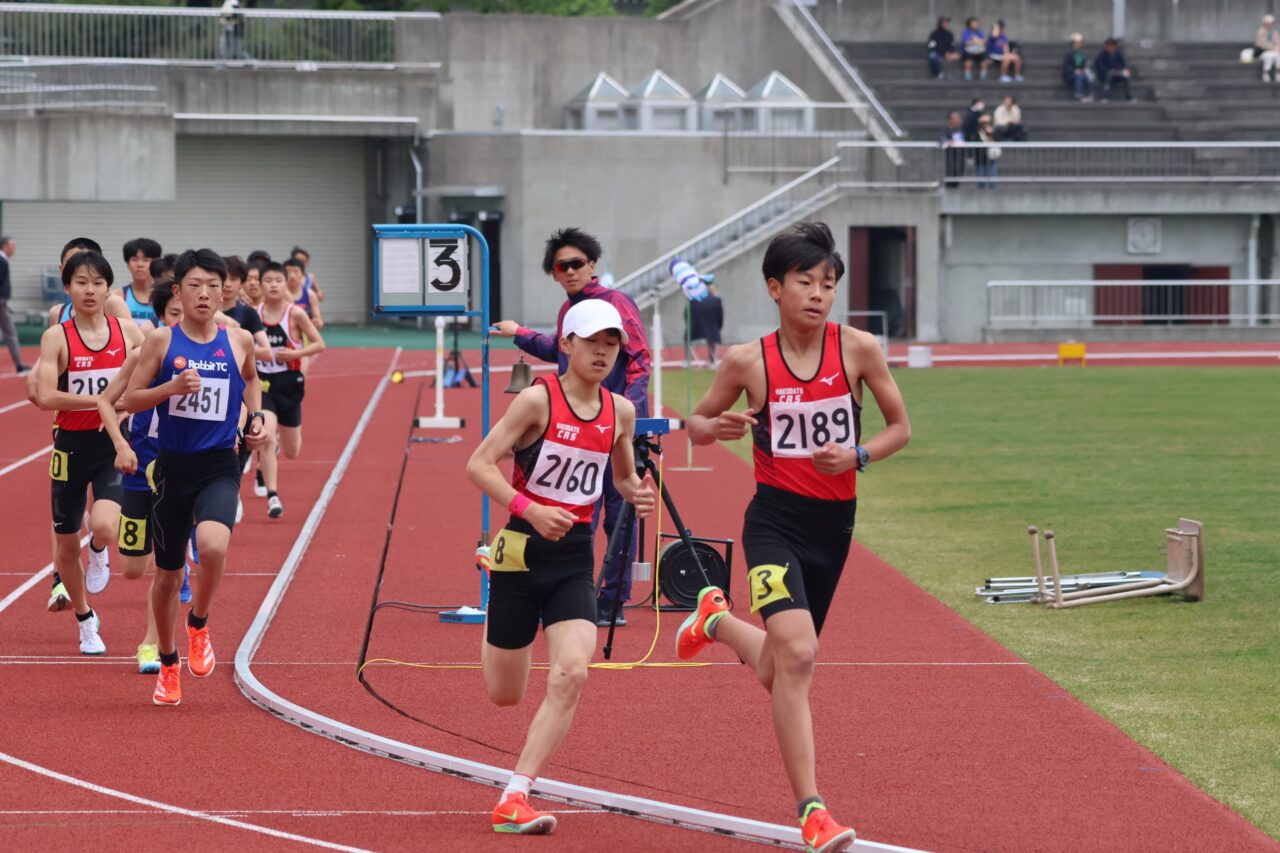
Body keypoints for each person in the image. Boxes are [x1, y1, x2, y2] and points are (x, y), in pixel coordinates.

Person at [680, 222, 911, 853]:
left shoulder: (858, 349)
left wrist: (859, 454)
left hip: (834, 527)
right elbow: (693, 423)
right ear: (774, 288)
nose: (818, 294)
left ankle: (717, 623)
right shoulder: (747, 361)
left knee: (784, 665)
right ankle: (812, 810)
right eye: (805, 282)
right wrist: (715, 425)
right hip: (774, 521)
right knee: (800, 657)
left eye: (828, 284)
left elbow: (901, 428)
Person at [466, 299, 655, 836]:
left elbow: (620, 478)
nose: (602, 352)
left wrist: (635, 493)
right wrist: (528, 508)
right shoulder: (535, 400)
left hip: (573, 558)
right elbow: (478, 464)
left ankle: (516, 793)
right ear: (566, 345)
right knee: (506, 694)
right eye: (592, 341)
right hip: (521, 552)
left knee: (572, 671)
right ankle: (491, 577)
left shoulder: (621, 410)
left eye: (612, 343)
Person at [121, 248, 266, 706]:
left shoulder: (238, 339)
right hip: (171, 469)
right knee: (166, 576)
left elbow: (252, 380)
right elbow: (131, 398)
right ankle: (167, 662)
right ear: (178, 290)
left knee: (214, 545)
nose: (204, 294)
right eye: (194, 285)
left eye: (212, 286)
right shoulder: (162, 342)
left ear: (224, 291)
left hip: (220, 465)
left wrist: (255, 419)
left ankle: (199, 623)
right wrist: (171, 388)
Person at [490, 228, 652, 627]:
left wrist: (626, 420)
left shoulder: (614, 304)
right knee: (579, 514)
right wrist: (520, 334)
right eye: (563, 266)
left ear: (593, 265)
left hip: (611, 427)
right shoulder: (569, 314)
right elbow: (556, 350)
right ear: (555, 274)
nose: (571, 270)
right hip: (569, 422)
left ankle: (611, 601)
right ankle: (566, 594)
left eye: (578, 263)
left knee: (617, 516)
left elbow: (640, 359)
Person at [34, 251, 145, 654]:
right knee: (65, 545)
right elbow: (45, 395)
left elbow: (151, 374)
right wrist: (101, 400)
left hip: (112, 444)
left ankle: (98, 551)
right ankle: (85, 619)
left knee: (104, 526)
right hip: (70, 447)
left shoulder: (129, 333)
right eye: (81, 282)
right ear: (68, 289)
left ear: (108, 289)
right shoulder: (57, 337)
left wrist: (122, 405)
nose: (89, 290)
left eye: (97, 283)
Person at [96, 284, 194, 674]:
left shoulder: (209, 357)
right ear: (160, 317)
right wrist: (121, 442)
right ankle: (105, 533)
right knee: (134, 567)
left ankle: (151, 644)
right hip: (139, 472)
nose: (180, 320)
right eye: (173, 313)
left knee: (165, 568)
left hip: (177, 473)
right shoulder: (142, 355)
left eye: (183, 313)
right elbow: (106, 400)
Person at [254, 261, 324, 519]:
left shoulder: (295, 314)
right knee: (267, 436)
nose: (273, 285)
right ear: (261, 285)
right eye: (268, 280)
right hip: (263, 386)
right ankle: (272, 495)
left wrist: (295, 352)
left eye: (278, 280)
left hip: (290, 385)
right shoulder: (254, 313)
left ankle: (278, 442)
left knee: (293, 451)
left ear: (286, 285)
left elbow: (319, 344)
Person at [220, 255, 273, 521]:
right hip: (212, 386)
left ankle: (233, 488)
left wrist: (242, 340)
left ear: (241, 283)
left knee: (239, 440)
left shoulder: (246, 314)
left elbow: (265, 349)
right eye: (224, 278)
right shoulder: (202, 310)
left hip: (240, 387)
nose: (228, 284)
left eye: (234, 279)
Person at [0, 237, 30, 375]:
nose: (14, 249)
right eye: (12, 246)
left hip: (2, 302)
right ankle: (19, 365)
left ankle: (19, 365)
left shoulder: (4, 260)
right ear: (4, 246)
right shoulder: (1, 261)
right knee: (10, 333)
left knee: (10, 332)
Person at [119, 238, 163, 327]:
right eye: (135, 259)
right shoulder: (118, 296)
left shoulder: (165, 295)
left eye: (146, 260)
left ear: (156, 264)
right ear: (128, 264)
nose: (140, 264)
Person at [688, 282, 724, 366]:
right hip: (711, 326)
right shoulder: (716, 300)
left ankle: (712, 360)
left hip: (702, 326)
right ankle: (713, 360)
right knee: (712, 343)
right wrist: (719, 326)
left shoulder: (701, 299)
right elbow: (720, 315)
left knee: (711, 343)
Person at [1062, 34, 1094, 101]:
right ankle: (1078, 93)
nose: (1081, 43)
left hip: (1080, 73)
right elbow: (1066, 66)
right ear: (1074, 43)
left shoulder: (1080, 53)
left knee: (1087, 75)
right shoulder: (1069, 53)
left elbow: (1081, 64)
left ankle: (1089, 94)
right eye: (1079, 42)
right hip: (1070, 74)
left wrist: (1084, 69)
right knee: (1080, 76)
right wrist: (1075, 70)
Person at [974, 114, 1001, 189]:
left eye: (987, 122)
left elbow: (998, 139)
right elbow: (976, 141)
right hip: (980, 160)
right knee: (981, 182)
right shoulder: (977, 133)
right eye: (984, 122)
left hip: (991, 159)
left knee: (992, 181)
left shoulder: (994, 131)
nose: (986, 124)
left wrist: (991, 134)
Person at [940, 111, 966, 188]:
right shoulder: (945, 129)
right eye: (956, 119)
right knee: (950, 173)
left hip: (959, 156)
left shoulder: (960, 129)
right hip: (950, 156)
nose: (958, 120)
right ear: (951, 119)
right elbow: (942, 139)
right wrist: (948, 141)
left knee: (958, 174)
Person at [1256, 15, 1280, 82]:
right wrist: (1273, 48)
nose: (1269, 25)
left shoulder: (1275, 32)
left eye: (1271, 23)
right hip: (1263, 52)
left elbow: (1278, 42)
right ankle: (1266, 71)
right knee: (1269, 55)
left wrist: (1276, 48)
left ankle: (1278, 70)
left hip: (1275, 51)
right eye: (1268, 23)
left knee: (1277, 55)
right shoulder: (1261, 31)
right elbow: (1262, 44)